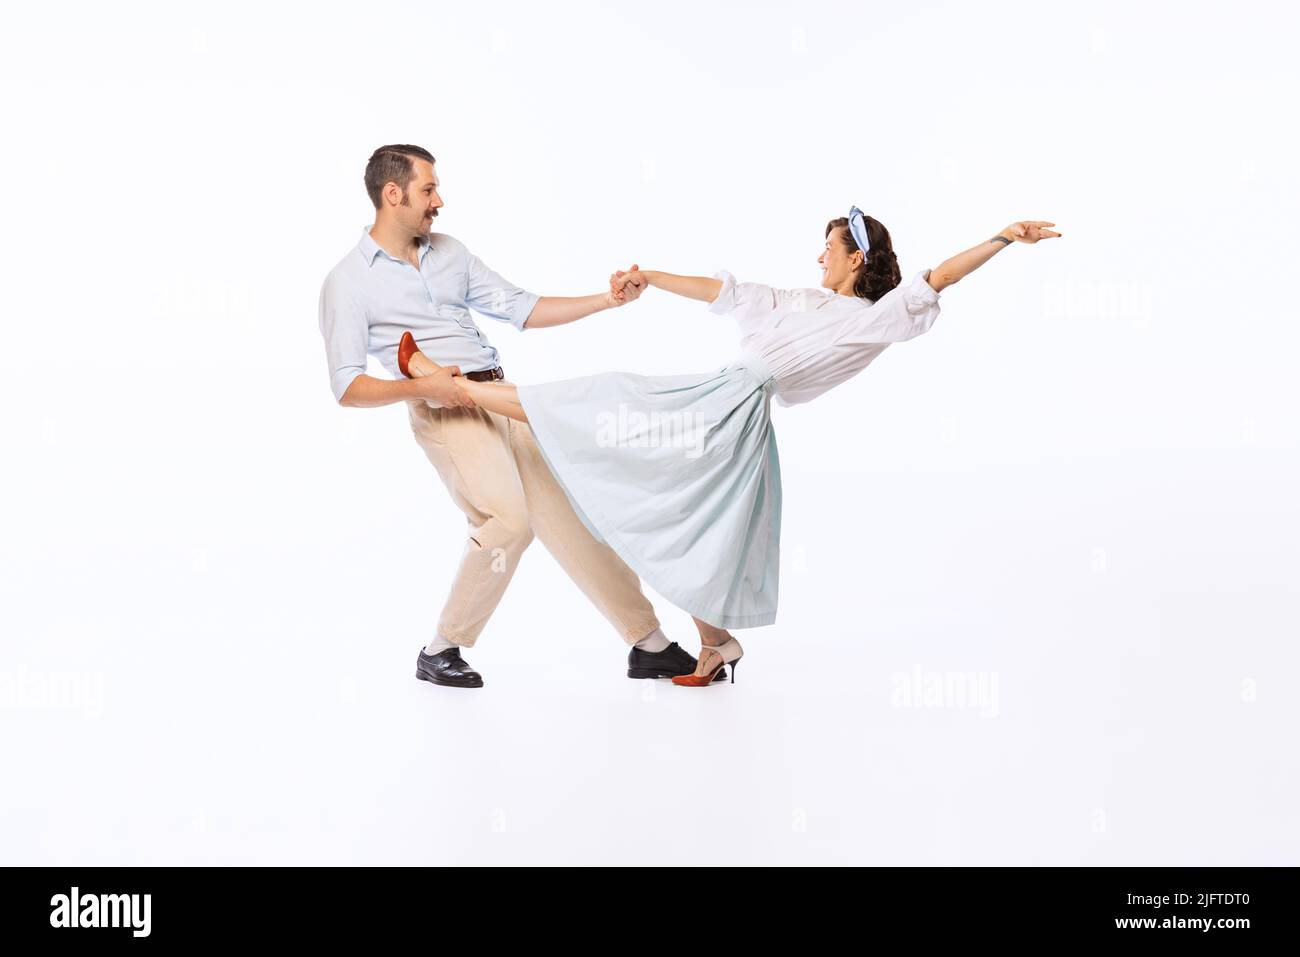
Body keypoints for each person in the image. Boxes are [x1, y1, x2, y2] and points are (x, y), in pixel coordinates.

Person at [397, 209, 1062, 686]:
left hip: (732, 418)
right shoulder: (802, 300)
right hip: (717, 401)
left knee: (621, 438)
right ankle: (715, 644)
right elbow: (730, 293)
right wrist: (653, 276)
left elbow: (935, 278)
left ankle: (440, 378)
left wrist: (1004, 236)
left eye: (828, 247)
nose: (820, 257)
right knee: (652, 474)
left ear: (857, 258)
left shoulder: (874, 320)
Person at [318, 144, 727, 689]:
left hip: (504, 396)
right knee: (506, 520)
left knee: (573, 514)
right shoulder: (348, 282)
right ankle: (442, 649)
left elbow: (523, 308)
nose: (439, 201)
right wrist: (424, 386)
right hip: (447, 409)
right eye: (428, 190)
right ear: (392, 195)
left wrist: (607, 301)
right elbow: (347, 386)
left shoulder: (449, 253)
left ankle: (646, 643)